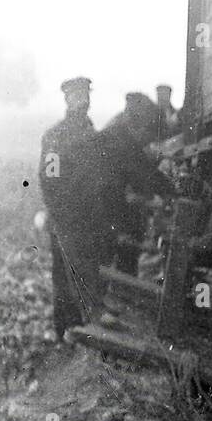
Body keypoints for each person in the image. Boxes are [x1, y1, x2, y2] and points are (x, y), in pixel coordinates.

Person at [39, 76, 104, 341]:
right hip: (67, 217)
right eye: (77, 97)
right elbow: (49, 178)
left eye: (85, 96)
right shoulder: (56, 136)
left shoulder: (90, 132)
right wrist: (62, 213)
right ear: (67, 100)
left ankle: (81, 328)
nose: (83, 101)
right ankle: (65, 330)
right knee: (65, 275)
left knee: (86, 271)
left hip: (90, 217)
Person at [99, 93, 174, 274]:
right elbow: (141, 173)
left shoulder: (123, 134)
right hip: (102, 216)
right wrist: (168, 193)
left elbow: (144, 170)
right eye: (147, 136)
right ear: (137, 126)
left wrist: (168, 190)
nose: (147, 143)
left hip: (110, 214)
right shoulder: (117, 141)